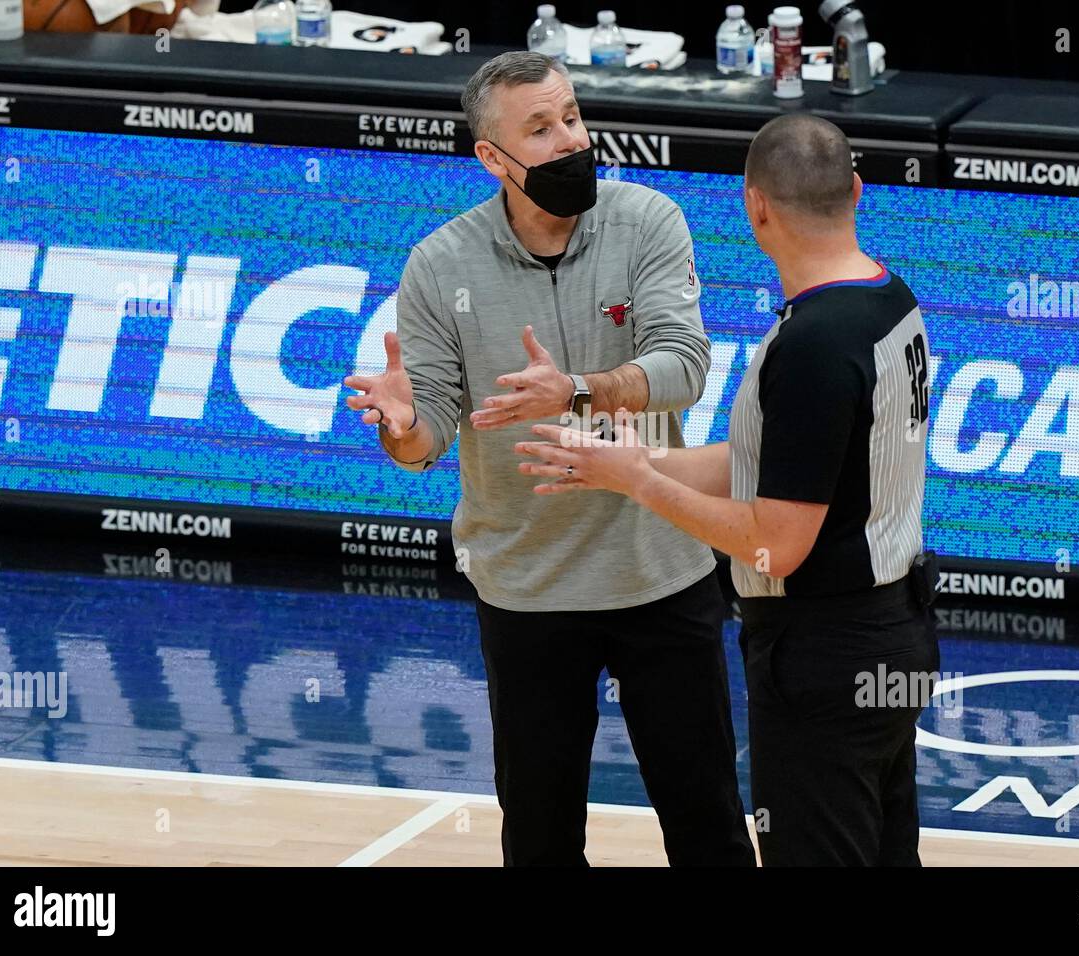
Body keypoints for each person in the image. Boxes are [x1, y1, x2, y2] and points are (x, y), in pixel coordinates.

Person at [343, 51, 754, 867]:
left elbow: (685, 367)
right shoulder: (439, 263)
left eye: (571, 116)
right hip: (526, 583)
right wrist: (399, 424)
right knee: (539, 828)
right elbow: (423, 443)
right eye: (541, 128)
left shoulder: (647, 221)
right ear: (492, 159)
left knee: (704, 814)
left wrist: (573, 390)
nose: (570, 139)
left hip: (657, 566)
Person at [517, 112, 940, 866]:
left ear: (756, 207)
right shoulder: (888, 297)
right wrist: (620, 463)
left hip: (827, 652)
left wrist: (644, 484)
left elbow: (774, 542)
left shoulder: (814, 342)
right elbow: (776, 466)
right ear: (857, 190)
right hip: (892, 632)